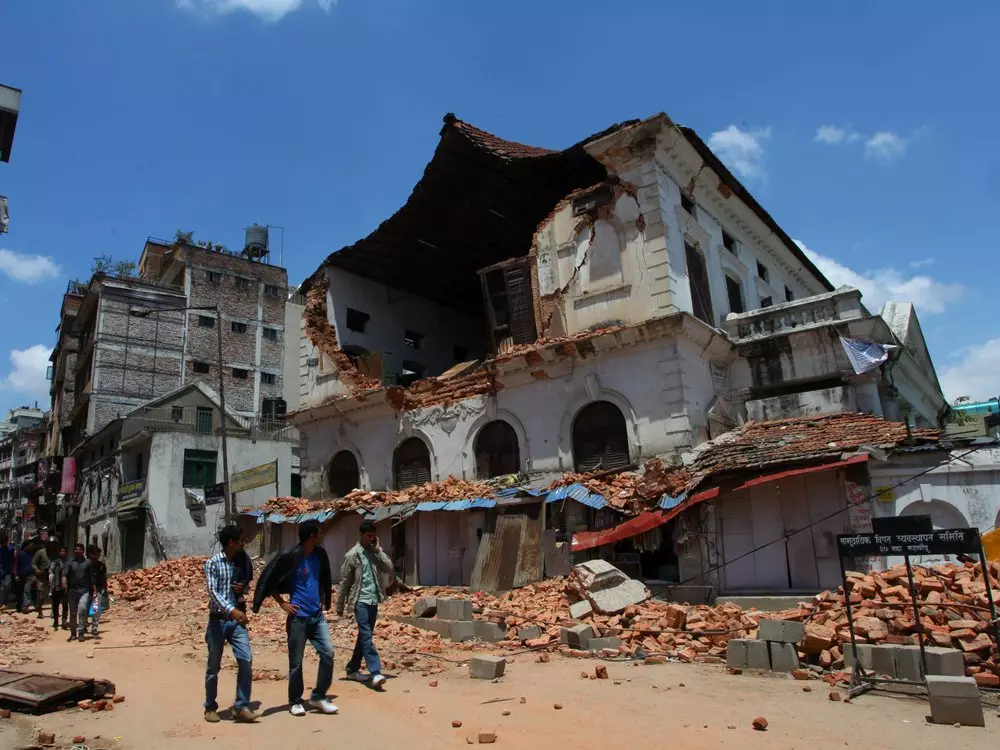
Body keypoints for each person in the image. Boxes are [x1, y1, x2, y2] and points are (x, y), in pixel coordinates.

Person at [253, 520, 337, 717]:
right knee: (296, 662)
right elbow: (269, 579)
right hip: (298, 618)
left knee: (328, 653)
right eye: (319, 533)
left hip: (316, 617)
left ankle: (318, 696)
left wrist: (326, 598)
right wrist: (281, 602)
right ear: (311, 536)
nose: (322, 536)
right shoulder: (291, 556)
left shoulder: (320, 554)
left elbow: (325, 577)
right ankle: (295, 701)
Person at [203, 525, 255, 724]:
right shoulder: (213, 563)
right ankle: (209, 707)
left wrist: (243, 588)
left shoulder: (242, 561)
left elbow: (247, 583)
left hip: (236, 622)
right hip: (218, 621)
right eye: (240, 540)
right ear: (231, 542)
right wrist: (231, 610)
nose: (243, 543)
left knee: (246, 659)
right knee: (213, 666)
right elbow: (213, 592)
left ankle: (241, 706)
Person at [336, 520, 394, 689]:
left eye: (373, 537)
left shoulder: (374, 553)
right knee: (367, 636)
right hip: (359, 600)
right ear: (361, 535)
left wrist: (379, 550)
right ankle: (375, 672)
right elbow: (345, 582)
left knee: (364, 637)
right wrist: (339, 605)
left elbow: (389, 567)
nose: (371, 539)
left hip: (373, 599)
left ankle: (352, 669)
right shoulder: (352, 555)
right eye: (368, 536)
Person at [63, 543, 92, 641]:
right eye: (76, 549)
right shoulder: (70, 563)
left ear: (83, 551)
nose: (78, 550)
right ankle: (73, 633)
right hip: (72, 591)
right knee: (73, 613)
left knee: (83, 610)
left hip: (84, 590)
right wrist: (64, 584)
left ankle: (81, 633)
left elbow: (92, 577)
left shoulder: (88, 563)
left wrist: (94, 590)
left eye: (80, 549)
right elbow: (64, 575)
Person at [81, 545, 108, 639]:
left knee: (96, 610)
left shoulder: (101, 566)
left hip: (98, 590)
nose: (97, 556)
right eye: (95, 554)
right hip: (86, 590)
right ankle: (83, 626)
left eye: (98, 554)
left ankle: (94, 628)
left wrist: (104, 590)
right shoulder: (86, 565)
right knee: (84, 608)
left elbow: (104, 578)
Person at [30, 539, 52, 619]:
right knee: (42, 595)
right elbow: (33, 563)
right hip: (42, 576)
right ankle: (39, 611)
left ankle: (54, 612)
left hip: (53, 576)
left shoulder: (55, 552)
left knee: (53, 595)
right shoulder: (40, 552)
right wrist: (37, 570)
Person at [48, 546, 68, 630]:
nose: (63, 553)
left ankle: (64, 621)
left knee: (65, 605)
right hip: (56, 586)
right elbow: (50, 571)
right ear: (59, 553)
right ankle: (56, 620)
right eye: (61, 551)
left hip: (66, 587)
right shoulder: (55, 562)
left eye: (64, 551)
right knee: (55, 605)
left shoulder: (68, 562)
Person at [13, 540, 35, 614]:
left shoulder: (31, 554)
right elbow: (15, 564)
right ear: (26, 545)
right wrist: (16, 575)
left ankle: (25, 606)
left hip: (29, 575)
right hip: (20, 575)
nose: (31, 546)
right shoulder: (19, 553)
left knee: (27, 590)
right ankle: (19, 606)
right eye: (30, 545)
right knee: (19, 592)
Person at [0, 533, 14, 609]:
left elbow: (13, 559)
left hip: (8, 571)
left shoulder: (11, 549)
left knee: (7, 586)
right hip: (1, 571)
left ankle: (4, 603)